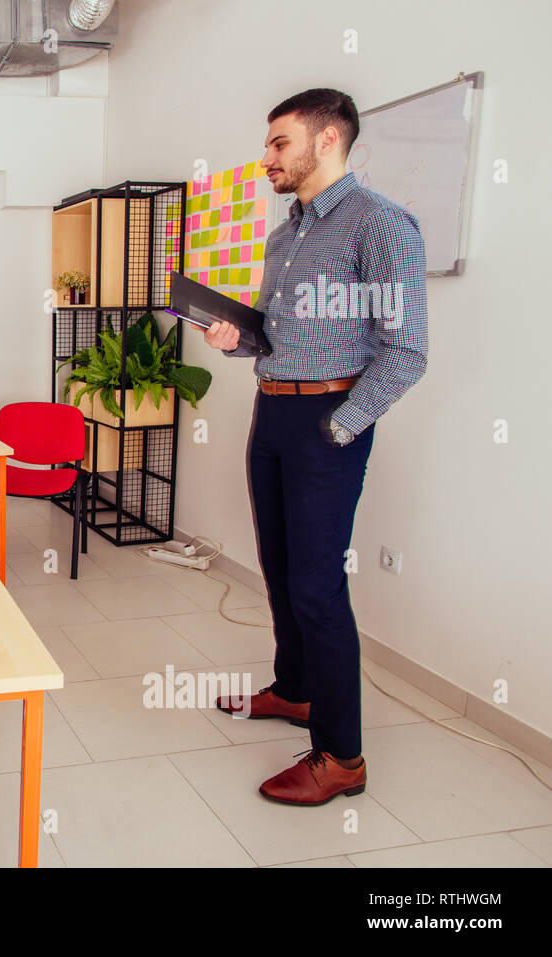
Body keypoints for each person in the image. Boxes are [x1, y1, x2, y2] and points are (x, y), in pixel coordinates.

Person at [207, 89, 427, 805]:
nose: (266, 156)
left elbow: (406, 351)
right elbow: (277, 337)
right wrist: (237, 338)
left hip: (328, 422)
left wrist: (341, 424)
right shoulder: (286, 234)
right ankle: (297, 688)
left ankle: (341, 757)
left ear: (327, 140)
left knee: (317, 587)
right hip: (271, 417)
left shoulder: (381, 224)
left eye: (278, 143)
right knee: (278, 566)